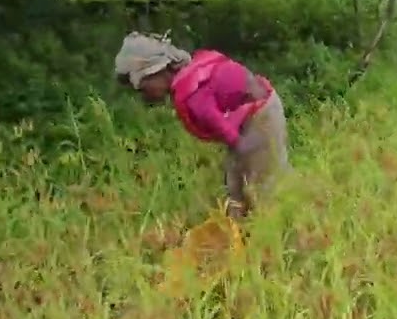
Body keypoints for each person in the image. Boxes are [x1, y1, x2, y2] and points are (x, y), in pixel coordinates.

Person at [113, 32, 291, 219]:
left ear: (157, 70)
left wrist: (240, 145)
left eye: (144, 87)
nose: (145, 95)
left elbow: (213, 117)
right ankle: (239, 232)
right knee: (235, 184)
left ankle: (281, 229)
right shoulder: (190, 78)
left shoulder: (191, 94)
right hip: (245, 121)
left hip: (260, 116)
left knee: (264, 183)